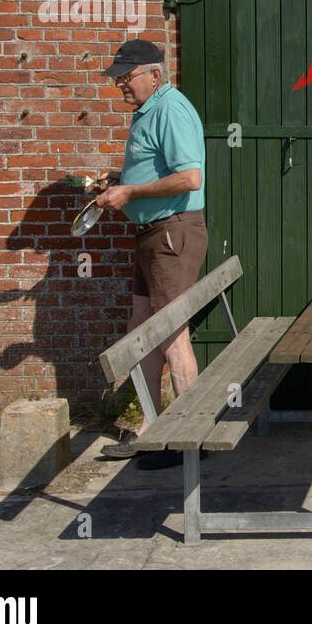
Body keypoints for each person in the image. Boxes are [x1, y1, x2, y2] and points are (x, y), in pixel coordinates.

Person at [94, 39, 207, 469]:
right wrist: (120, 179)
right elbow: (161, 169)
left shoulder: (170, 109)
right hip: (151, 234)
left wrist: (131, 190)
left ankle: (187, 436)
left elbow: (190, 178)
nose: (120, 85)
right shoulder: (149, 111)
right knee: (141, 328)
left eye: (126, 77)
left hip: (170, 236)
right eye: (118, 78)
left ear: (154, 75)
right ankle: (151, 427)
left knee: (170, 335)